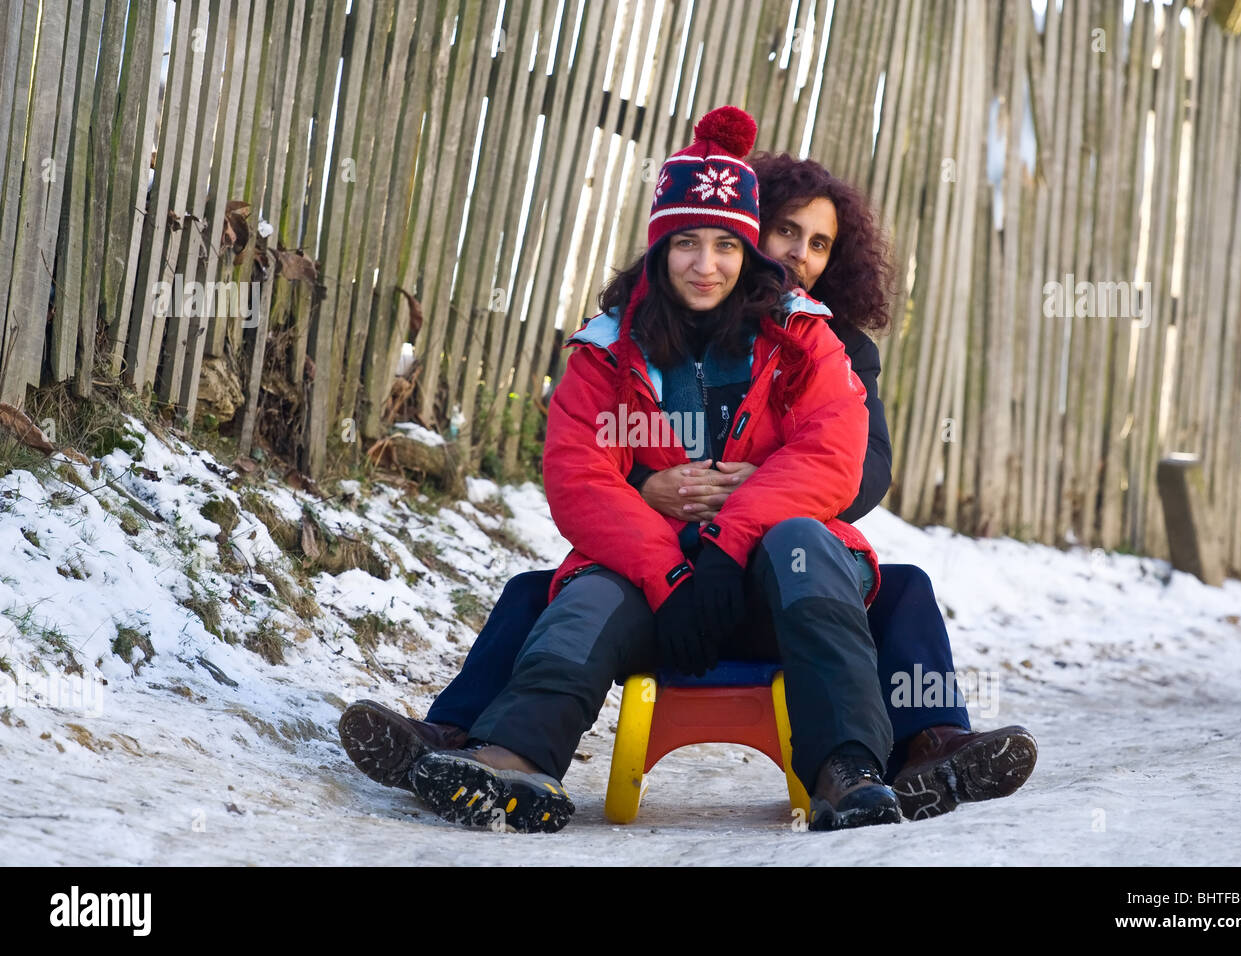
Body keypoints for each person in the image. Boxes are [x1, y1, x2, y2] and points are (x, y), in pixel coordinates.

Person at [338, 122, 1037, 826]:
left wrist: (735, 533)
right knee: (578, 593)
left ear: (747, 252)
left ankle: (857, 768)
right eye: (687, 242)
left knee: (811, 548)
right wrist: (667, 560)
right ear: (660, 248)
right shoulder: (607, 349)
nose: (706, 264)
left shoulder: (809, 340)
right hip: (654, 585)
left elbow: (839, 457)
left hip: (775, 581)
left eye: (726, 244)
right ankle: (509, 762)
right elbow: (581, 475)